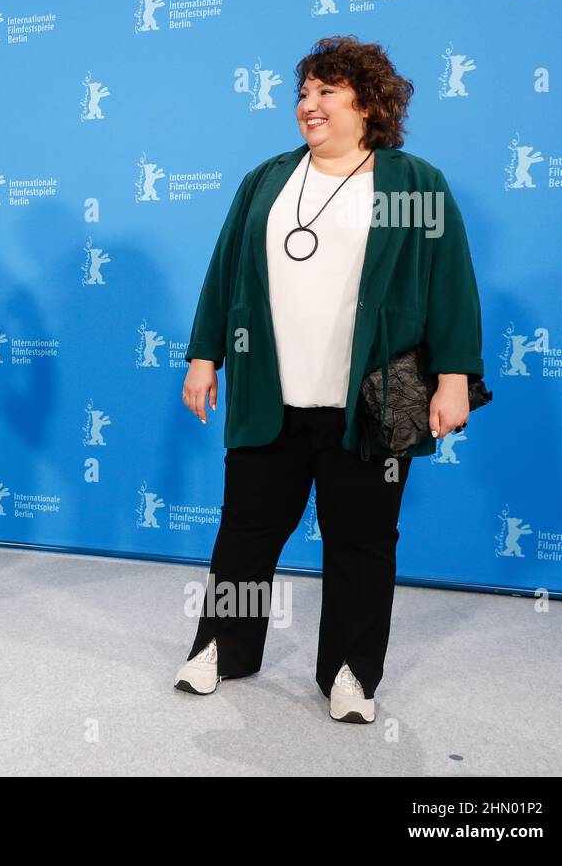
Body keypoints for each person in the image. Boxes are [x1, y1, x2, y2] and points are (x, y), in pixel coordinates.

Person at [174, 36, 484, 722]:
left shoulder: (413, 183)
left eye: (327, 92)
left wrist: (454, 379)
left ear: (369, 105)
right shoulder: (267, 180)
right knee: (246, 531)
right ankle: (223, 645)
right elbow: (226, 271)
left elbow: (450, 286)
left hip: (376, 400)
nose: (308, 106)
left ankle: (350, 671)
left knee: (364, 540)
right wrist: (205, 356)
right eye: (304, 93)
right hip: (270, 395)